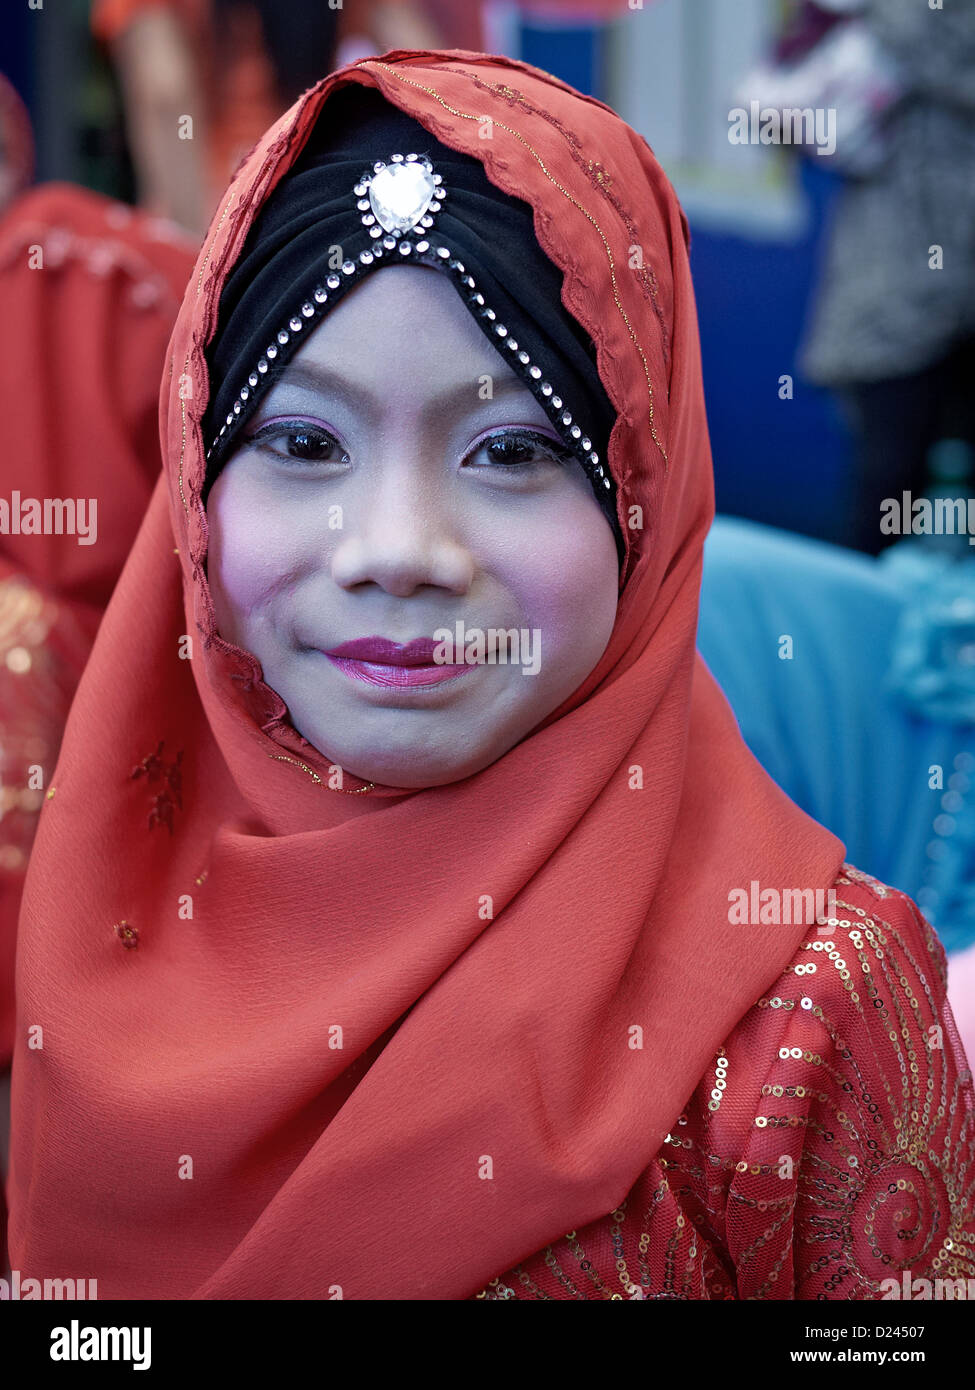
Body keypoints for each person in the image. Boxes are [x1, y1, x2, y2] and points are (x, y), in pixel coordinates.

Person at [5, 51, 974, 1301]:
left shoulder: (815, 1009)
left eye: (512, 449)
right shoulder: (104, 920)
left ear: (647, 498)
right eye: (302, 440)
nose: (399, 550)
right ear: (194, 485)